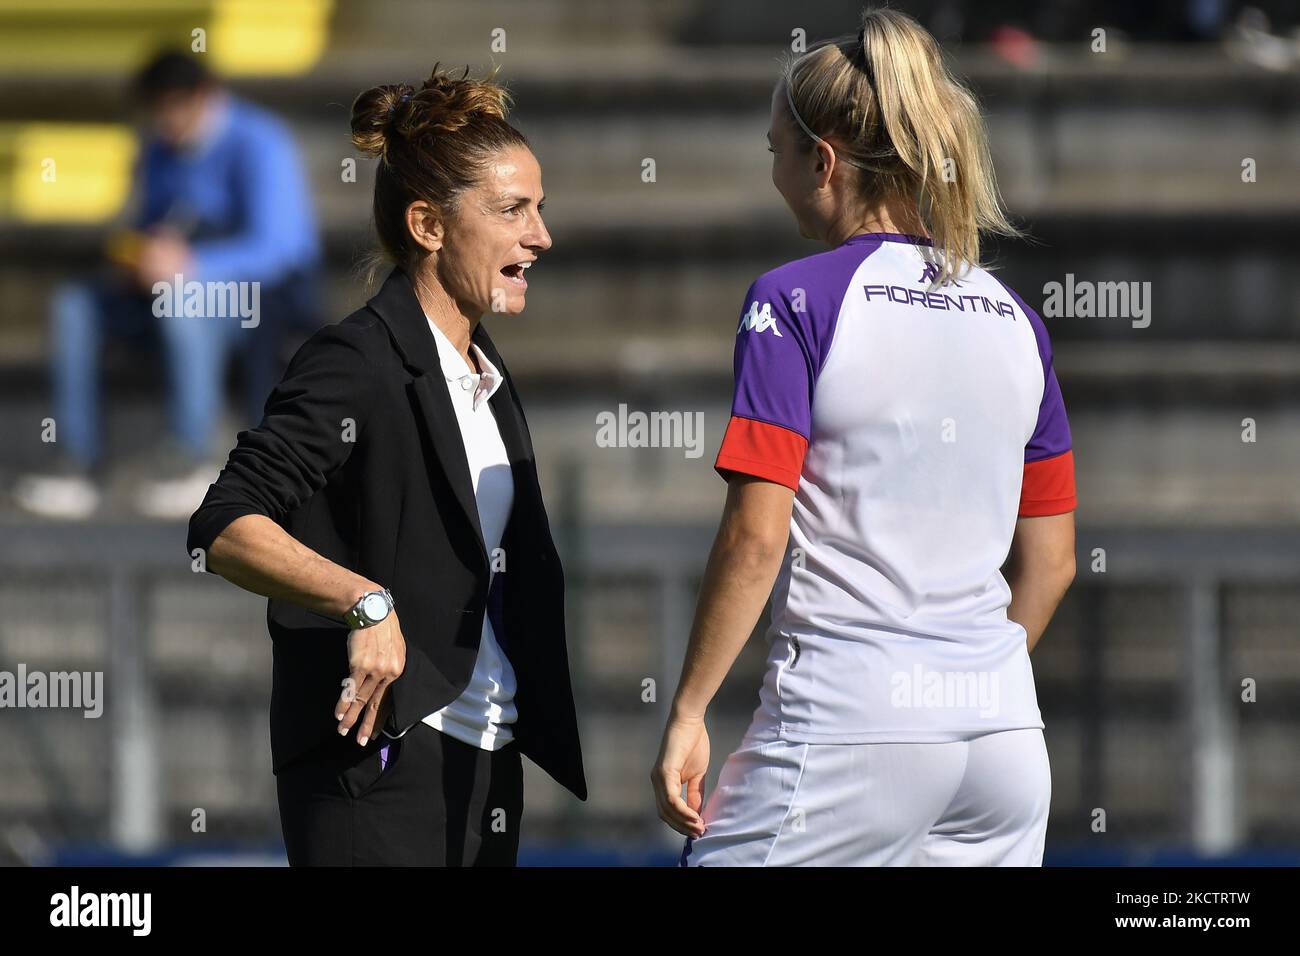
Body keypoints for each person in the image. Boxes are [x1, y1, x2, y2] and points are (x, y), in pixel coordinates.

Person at [652, 8, 1077, 866]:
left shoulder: (793, 298)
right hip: (1004, 742)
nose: (773, 171)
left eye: (777, 149)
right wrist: (962, 688)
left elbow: (755, 535)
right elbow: (1053, 561)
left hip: (847, 725)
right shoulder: (1017, 321)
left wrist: (690, 709)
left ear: (825, 160)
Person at [185, 65, 585, 866]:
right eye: (512, 211)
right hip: (378, 769)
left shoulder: (485, 371)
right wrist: (363, 603)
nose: (539, 236)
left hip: (483, 768)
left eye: (538, 209)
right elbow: (223, 525)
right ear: (429, 226)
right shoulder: (356, 361)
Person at [15, 49, 322, 520]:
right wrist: (138, 258)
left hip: (254, 300)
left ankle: (193, 460)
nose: (165, 123)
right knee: (74, 305)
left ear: (204, 97)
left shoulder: (261, 141)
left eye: (172, 109)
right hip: (162, 289)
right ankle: (79, 463)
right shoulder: (155, 147)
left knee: (184, 302)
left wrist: (191, 264)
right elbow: (149, 226)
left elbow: (282, 246)